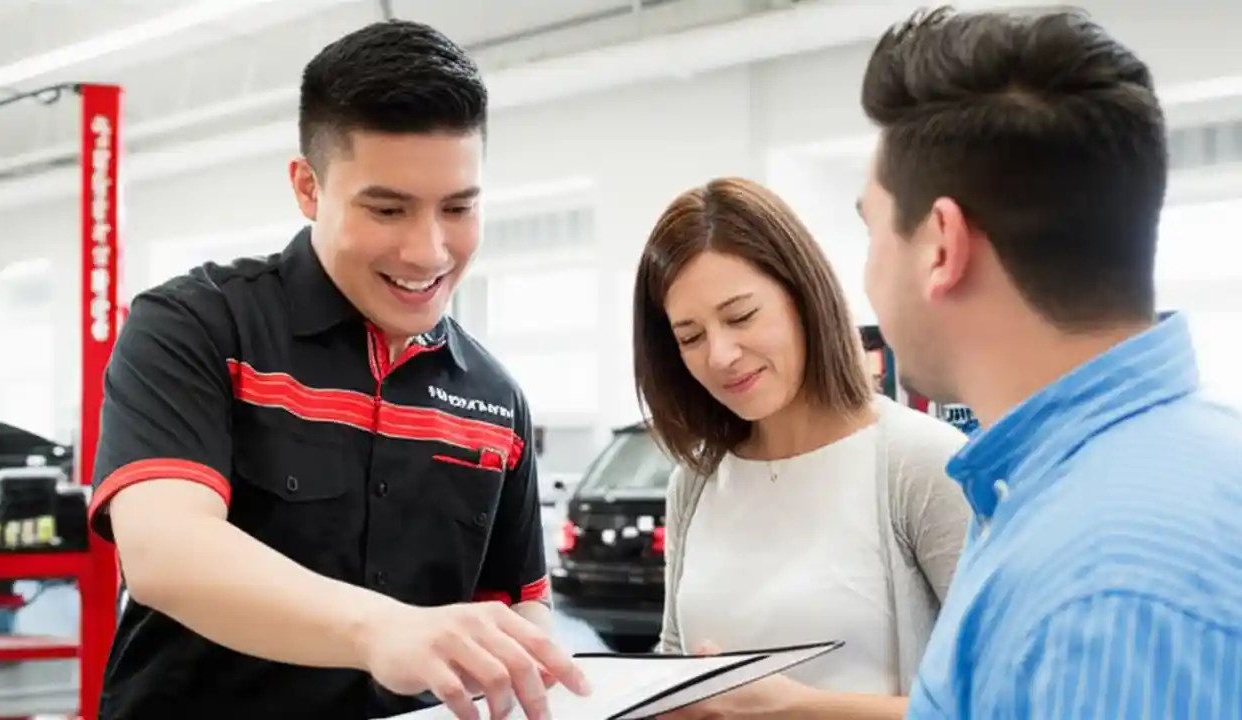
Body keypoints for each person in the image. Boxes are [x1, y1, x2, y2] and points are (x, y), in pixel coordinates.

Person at [86, 20, 588, 720]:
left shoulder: (494, 400)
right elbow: (166, 551)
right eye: (387, 209)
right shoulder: (195, 327)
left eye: (459, 208)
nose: (428, 250)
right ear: (307, 187)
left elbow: (519, 611)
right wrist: (381, 629)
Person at [857, 7, 1242, 718]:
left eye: (871, 228)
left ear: (940, 245)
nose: (868, 274)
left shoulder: (1106, 592)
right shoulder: (1060, 489)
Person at [632, 177, 972, 719]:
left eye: (741, 316)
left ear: (803, 298)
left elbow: (1005, 702)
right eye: (690, 337)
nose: (720, 355)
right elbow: (675, 660)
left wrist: (802, 709)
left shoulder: (922, 464)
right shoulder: (695, 481)